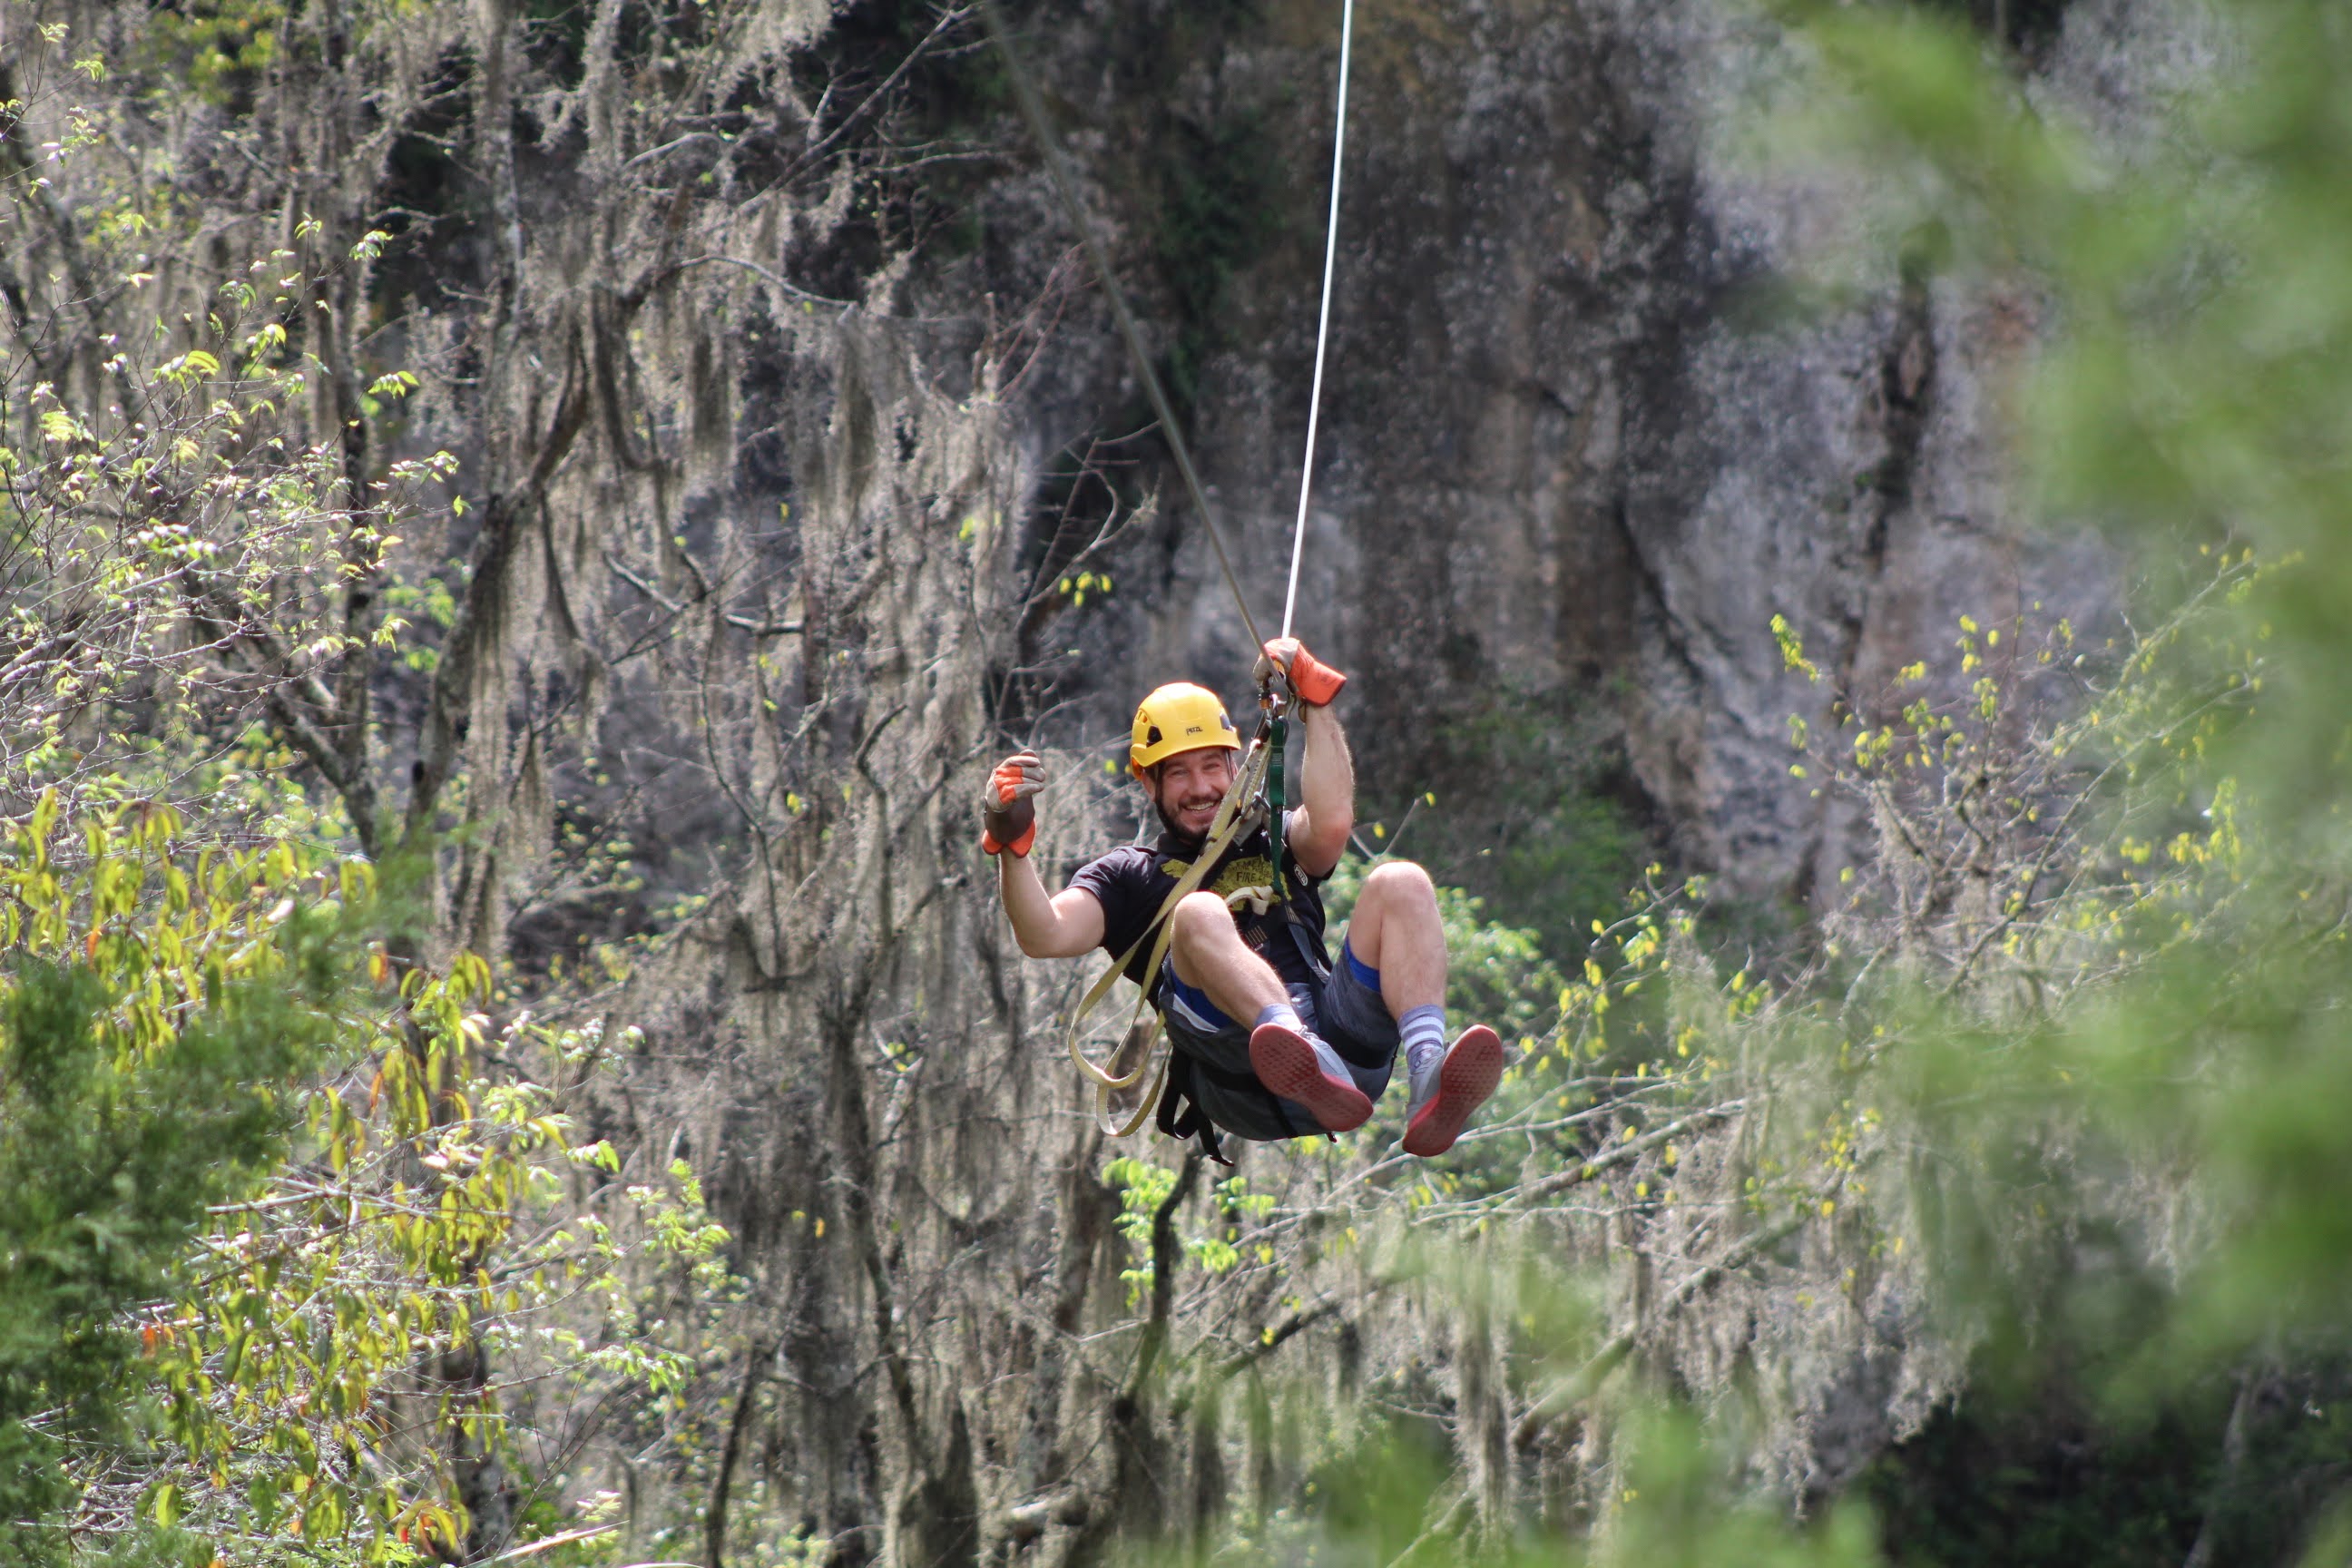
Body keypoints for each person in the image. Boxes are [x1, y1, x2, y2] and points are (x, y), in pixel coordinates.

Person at [982, 637, 1503, 1158]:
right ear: (1148, 783)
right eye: (1179, 772)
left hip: (1347, 1060)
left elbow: (1332, 823)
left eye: (1212, 765)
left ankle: (1428, 1071)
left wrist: (1314, 701)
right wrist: (1010, 843)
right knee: (1197, 912)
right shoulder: (1128, 877)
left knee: (1403, 882)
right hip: (1239, 1075)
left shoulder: (1273, 839)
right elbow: (1043, 934)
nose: (1200, 786)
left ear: (1236, 765)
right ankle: (1294, 1043)